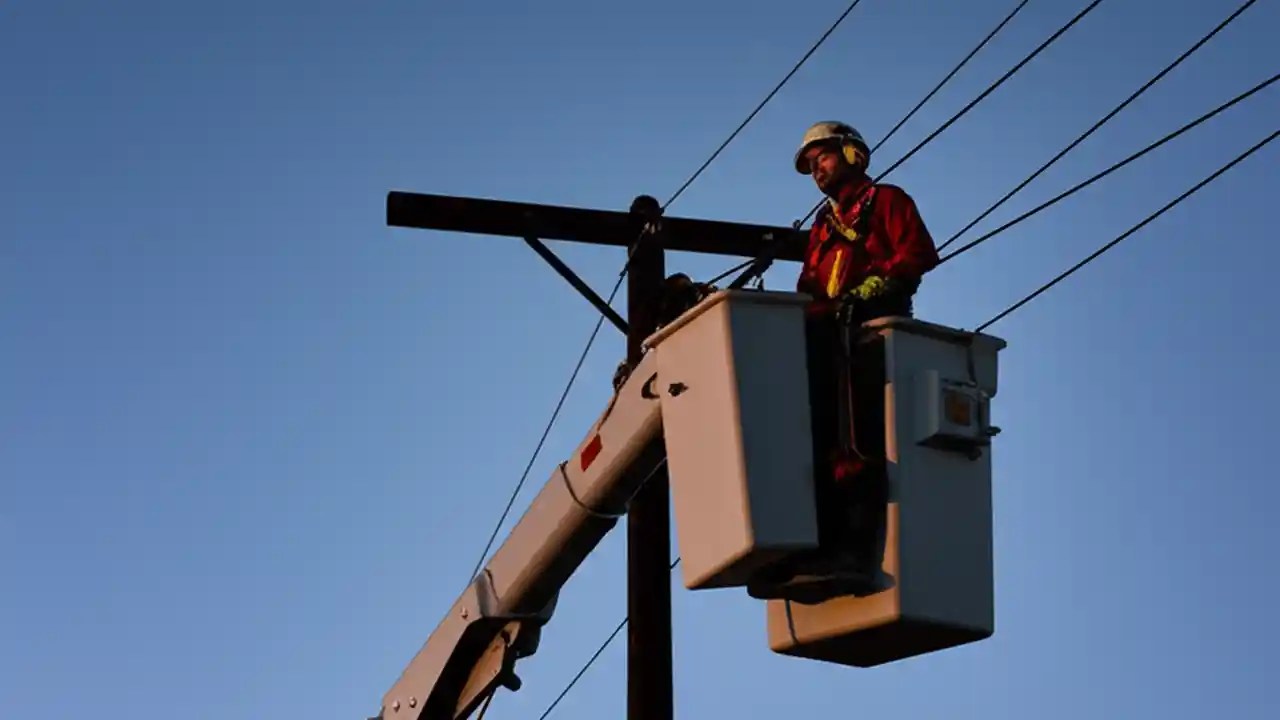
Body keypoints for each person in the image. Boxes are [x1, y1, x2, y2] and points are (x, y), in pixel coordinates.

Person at [748, 121, 940, 605]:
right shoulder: (822, 226)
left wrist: (874, 289)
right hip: (828, 337)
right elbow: (811, 287)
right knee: (815, 439)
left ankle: (853, 552)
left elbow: (916, 254)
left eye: (823, 157)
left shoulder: (887, 201)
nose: (816, 169)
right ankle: (816, 547)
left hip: (871, 336)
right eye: (810, 164)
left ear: (853, 154)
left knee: (854, 439)